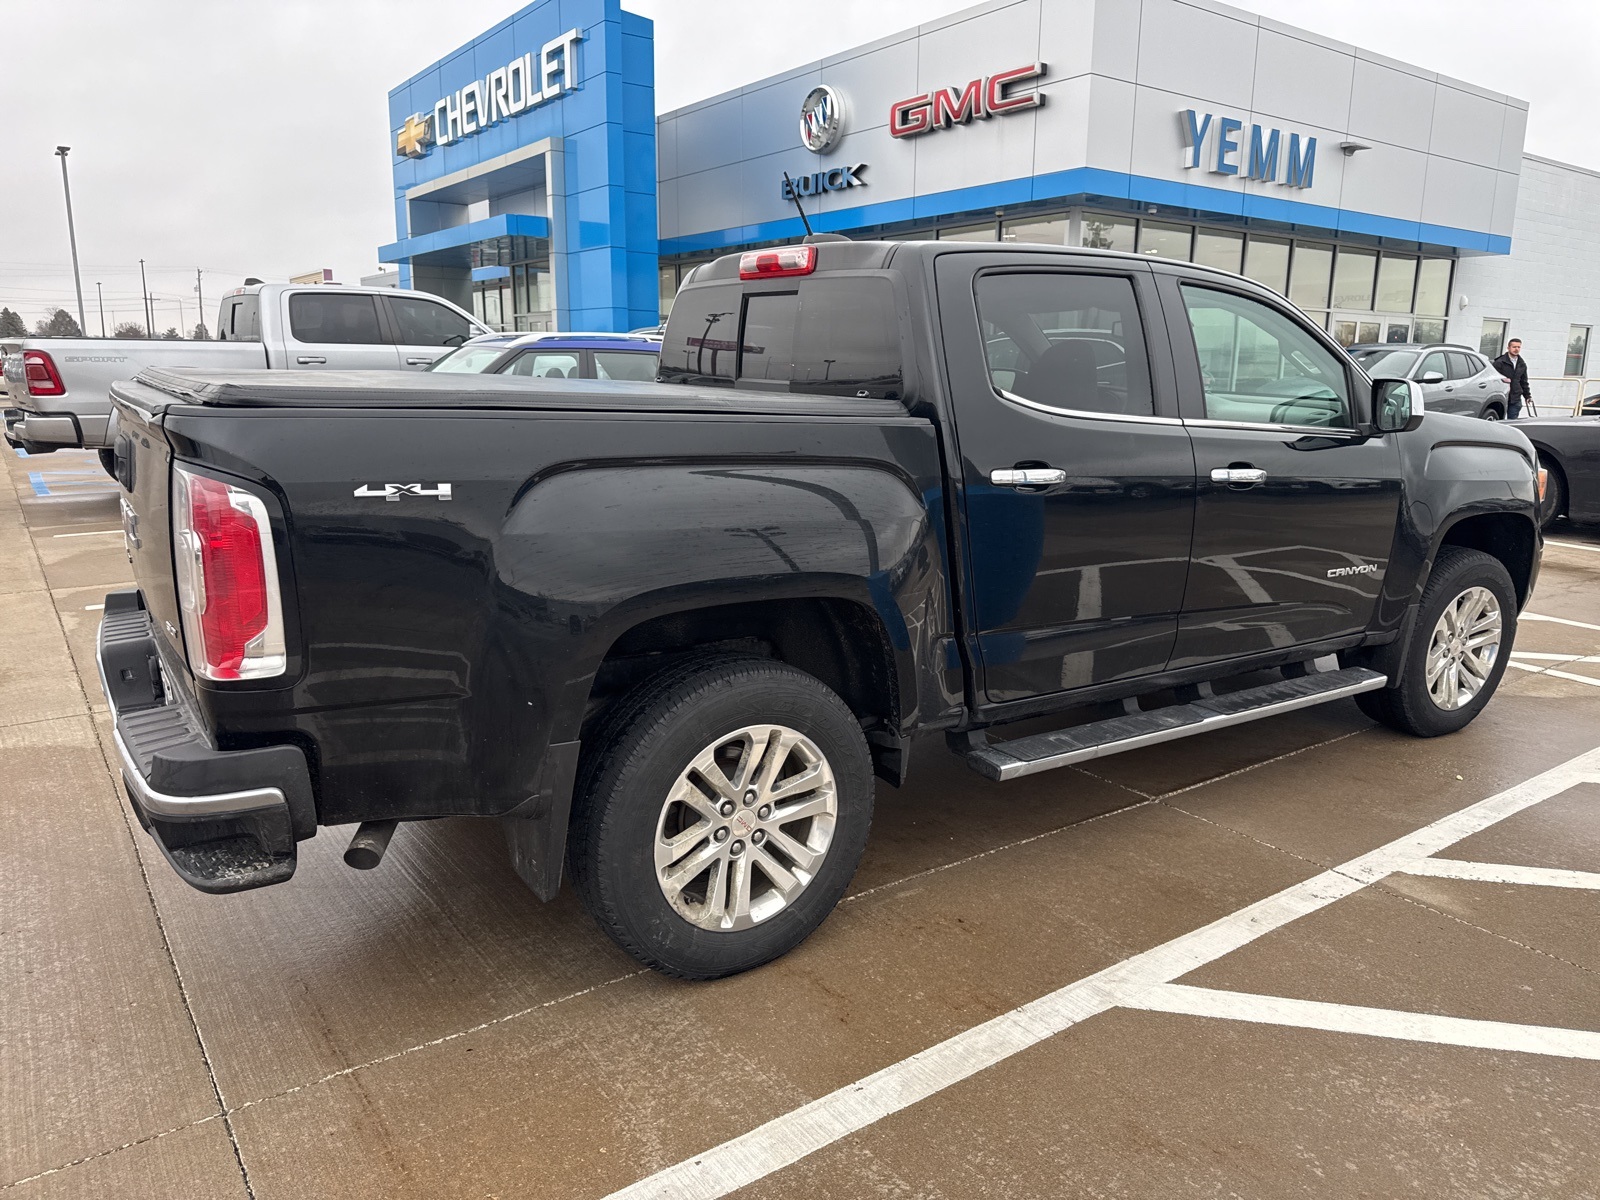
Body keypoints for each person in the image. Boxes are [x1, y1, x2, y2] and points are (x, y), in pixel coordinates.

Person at [1492, 338, 1531, 419]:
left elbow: (1524, 381)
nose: (1516, 349)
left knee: (1513, 421)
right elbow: (1493, 380)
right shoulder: (1499, 363)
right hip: (1502, 397)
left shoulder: (1522, 364)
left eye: (1518, 347)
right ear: (1508, 348)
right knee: (1499, 421)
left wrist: (1527, 396)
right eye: (1514, 347)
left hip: (1515, 398)